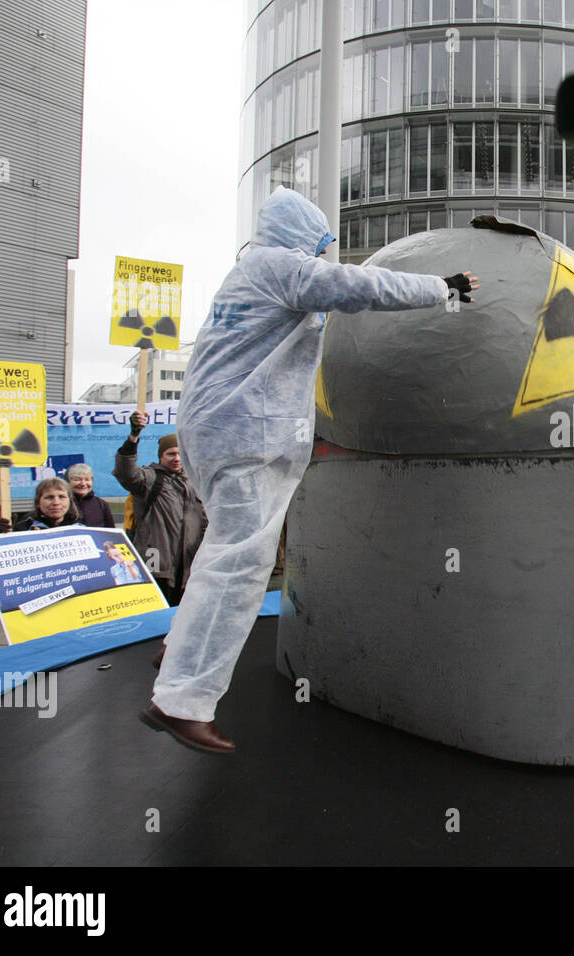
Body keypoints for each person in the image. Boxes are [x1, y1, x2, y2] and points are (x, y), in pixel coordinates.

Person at [141, 186, 480, 755]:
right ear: (302, 240)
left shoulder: (246, 274)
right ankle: (182, 701)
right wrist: (440, 289)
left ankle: (179, 644)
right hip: (247, 436)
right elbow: (358, 286)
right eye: (319, 246)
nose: (321, 257)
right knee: (240, 567)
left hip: (216, 432)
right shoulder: (280, 268)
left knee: (221, 553)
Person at [114, 419, 206, 609]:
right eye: (171, 453)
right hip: (157, 565)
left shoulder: (194, 482)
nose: (177, 458)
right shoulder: (149, 478)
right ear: (161, 456)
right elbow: (126, 472)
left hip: (189, 567)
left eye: (181, 454)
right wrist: (133, 437)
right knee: (157, 615)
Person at [0, 478, 81, 532]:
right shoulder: (23, 530)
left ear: (70, 501)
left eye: (62, 497)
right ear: (38, 502)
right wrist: (0, 536)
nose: (56, 502)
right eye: (49, 497)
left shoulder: (80, 530)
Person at [67, 464, 115, 528]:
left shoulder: (102, 504)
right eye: (77, 479)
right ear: (68, 481)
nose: (83, 484)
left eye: (87, 479)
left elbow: (111, 532)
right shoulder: (62, 504)